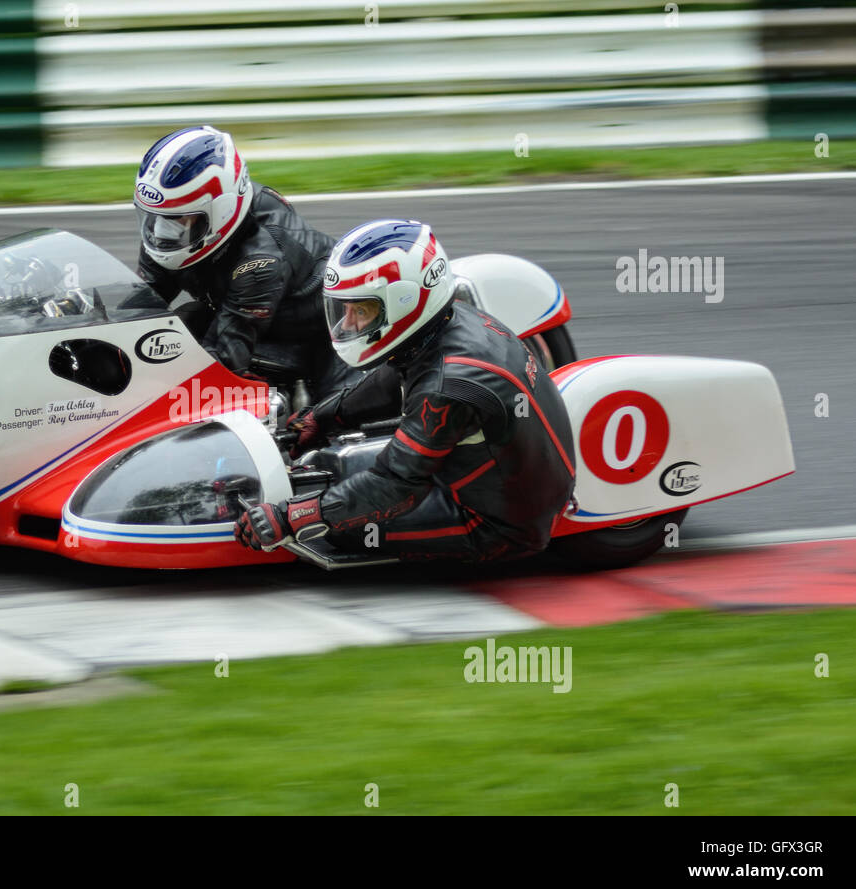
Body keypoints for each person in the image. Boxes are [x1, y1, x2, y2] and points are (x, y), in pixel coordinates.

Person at [234, 219, 576, 563]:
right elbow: (392, 380)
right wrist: (321, 418)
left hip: (495, 520)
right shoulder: (448, 323)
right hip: (489, 471)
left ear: (405, 301)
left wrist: (292, 517)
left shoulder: (448, 386)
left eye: (361, 311)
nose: (347, 324)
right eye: (344, 310)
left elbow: (394, 487)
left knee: (339, 526)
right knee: (338, 465)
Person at [132, 125, 356, 398]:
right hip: (246, 313)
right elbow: (138, 312)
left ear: (221, 212)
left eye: (180, 221)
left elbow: (224, 360)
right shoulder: (169, 234)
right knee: (170, 333)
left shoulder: (260, 261)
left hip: (326, 333)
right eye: (155, 219)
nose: (162, 233)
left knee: (332, 417)